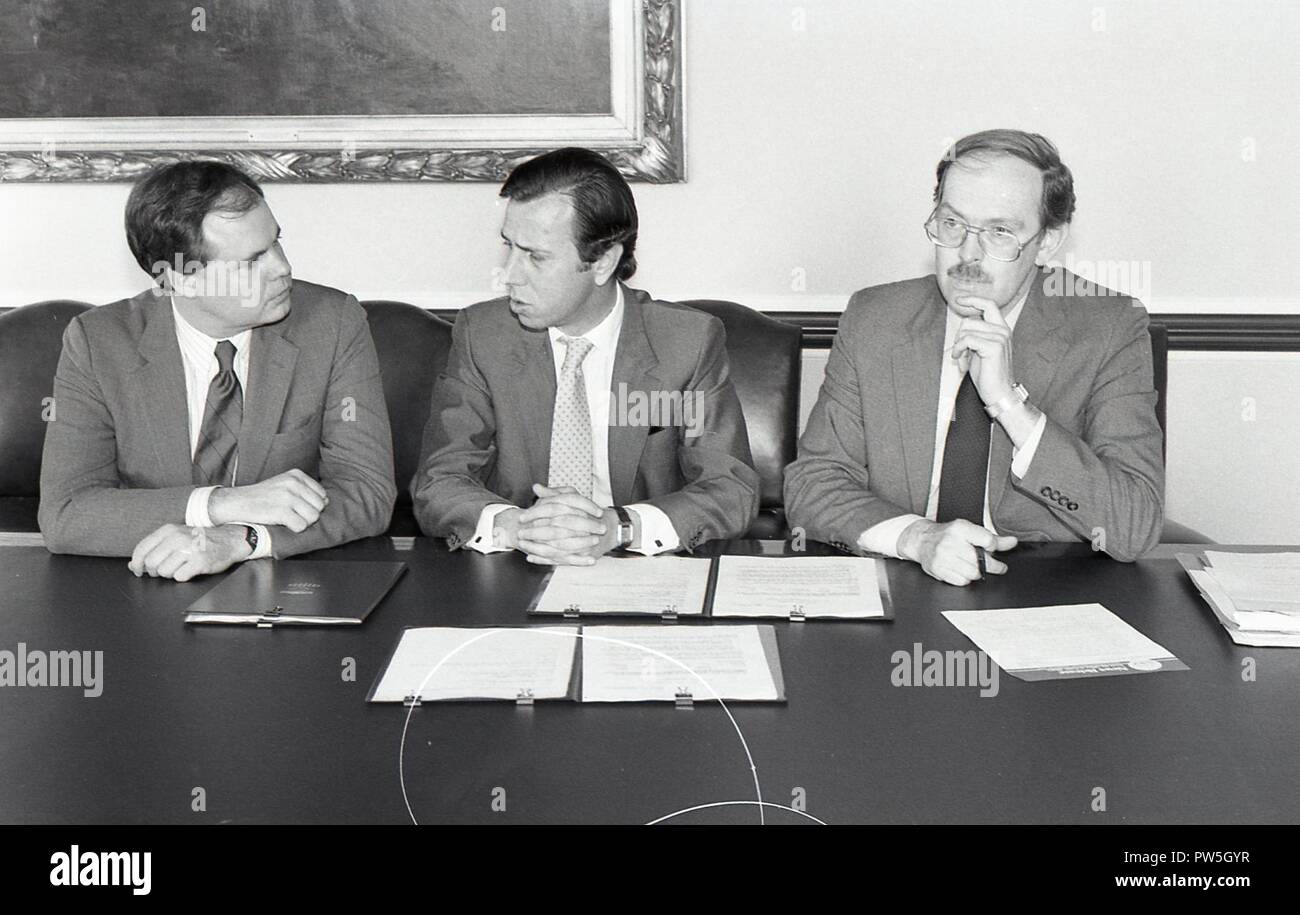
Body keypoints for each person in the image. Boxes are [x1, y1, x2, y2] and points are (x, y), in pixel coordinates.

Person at [785, 129, 1164, 585]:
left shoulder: (1109, 328)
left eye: (999, 232)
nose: (967, 254)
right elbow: (813, 484)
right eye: (952, 225)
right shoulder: (875, 319)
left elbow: (1134, 526)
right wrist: (918, 538)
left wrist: (1009, 404)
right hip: (906, 578)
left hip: (1043, 593)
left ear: (1047, 242)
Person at [39, 160, 396, 579]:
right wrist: (220, 503)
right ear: (181, 279)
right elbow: (66, 514)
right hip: (144, 587)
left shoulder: (332, 323)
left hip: (285, 587)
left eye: (277, 242)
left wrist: (244, 538)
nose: (282, 267)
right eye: (252, 261)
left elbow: (367, 492)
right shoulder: (98, 342)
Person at [413, 147, 758, 563]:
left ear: (603, 262)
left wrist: (617, 527)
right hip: (515, 566)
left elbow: (730, 489)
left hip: (641, 572)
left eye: (536, 257)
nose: (509, 275)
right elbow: (439, 480)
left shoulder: (686, 344)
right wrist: (517, 526)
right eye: (510, 248)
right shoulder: (483, 336)